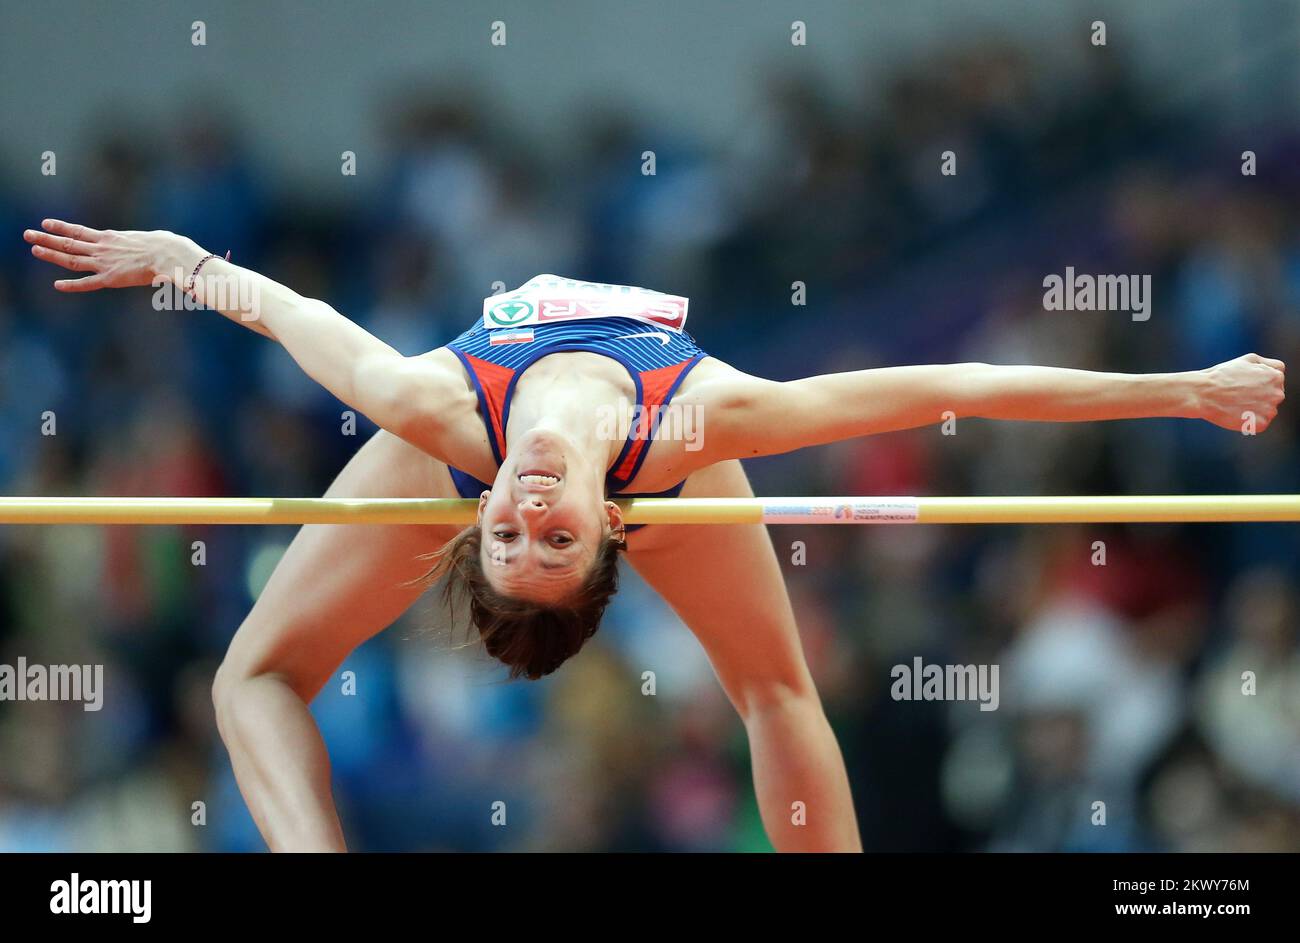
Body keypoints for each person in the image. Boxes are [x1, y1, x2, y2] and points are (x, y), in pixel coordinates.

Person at [24, 219, 1287, 852]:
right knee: (778, 686)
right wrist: (1180, 387)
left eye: (504, 533)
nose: (521, 507)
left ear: (479, 520)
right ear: (605, 529)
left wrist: (181, 257)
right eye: (548, 536)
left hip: (494, 414)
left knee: (768, 688)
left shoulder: (437, 410)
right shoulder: (698, 427)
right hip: (665, 459)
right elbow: (949, 380)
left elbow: (278, 307)